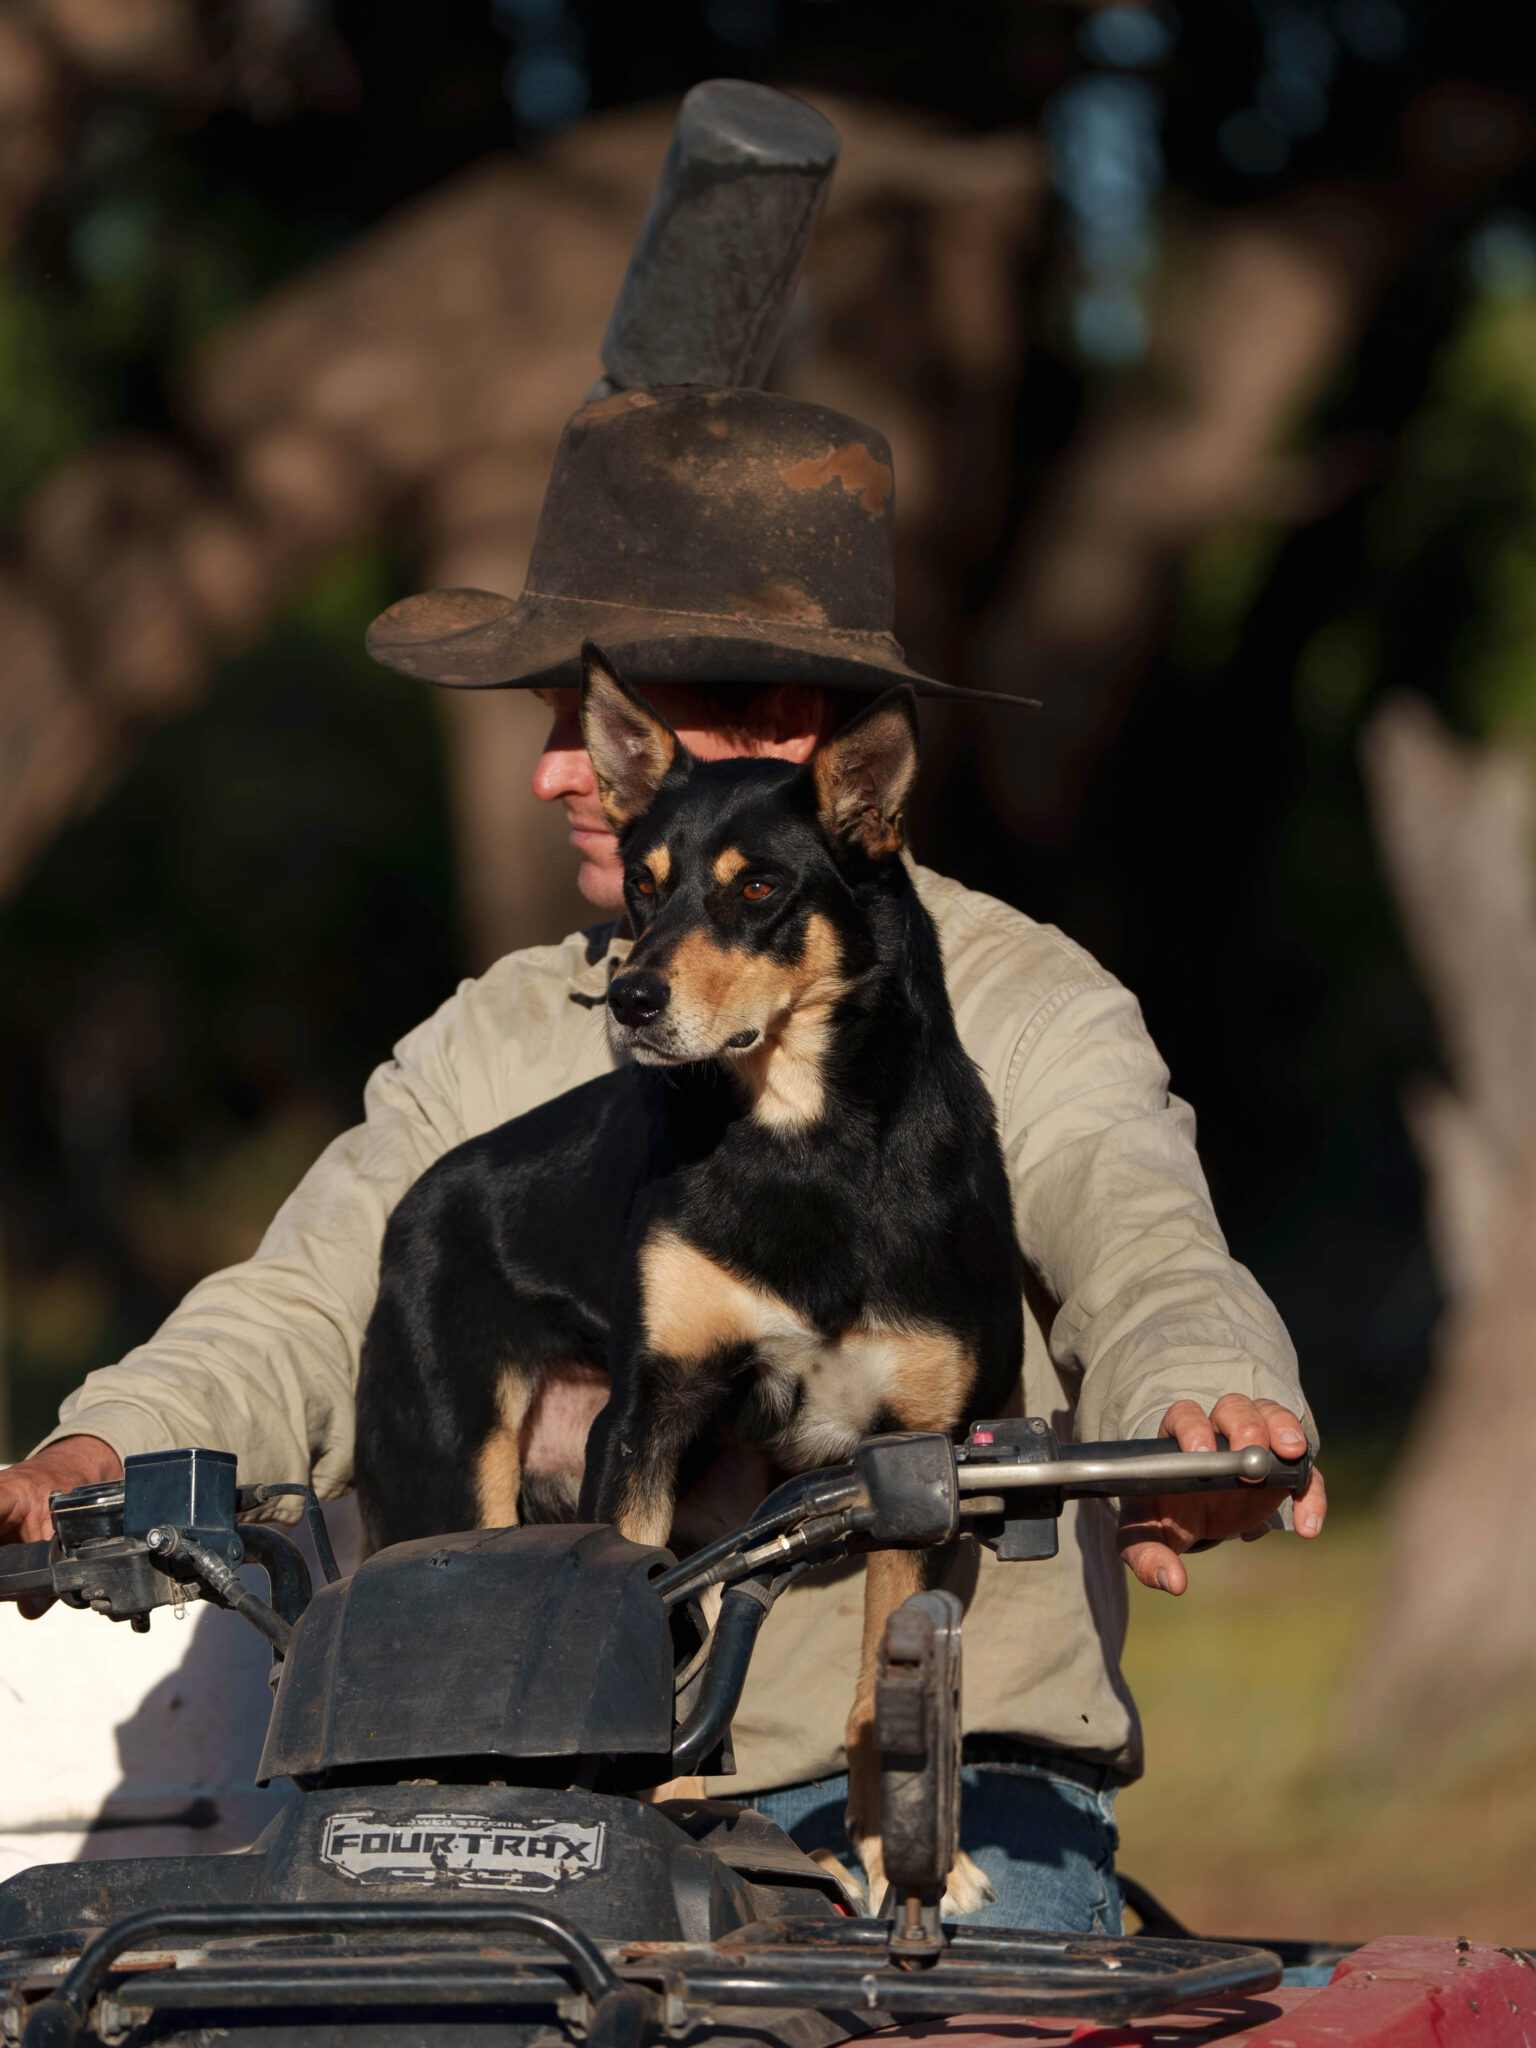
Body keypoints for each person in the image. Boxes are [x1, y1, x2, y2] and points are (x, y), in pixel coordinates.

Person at [0, 386, 1325, 1932]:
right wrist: (99, 1452)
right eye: (563, 733)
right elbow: (306, 1300)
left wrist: (1204, 1400)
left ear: (782, 741)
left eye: (600, 726)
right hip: (520, 1779)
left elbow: (1143, 1231)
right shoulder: (502, 1032)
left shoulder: (1026, 1003)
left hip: (929, 1796)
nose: (559, 773)